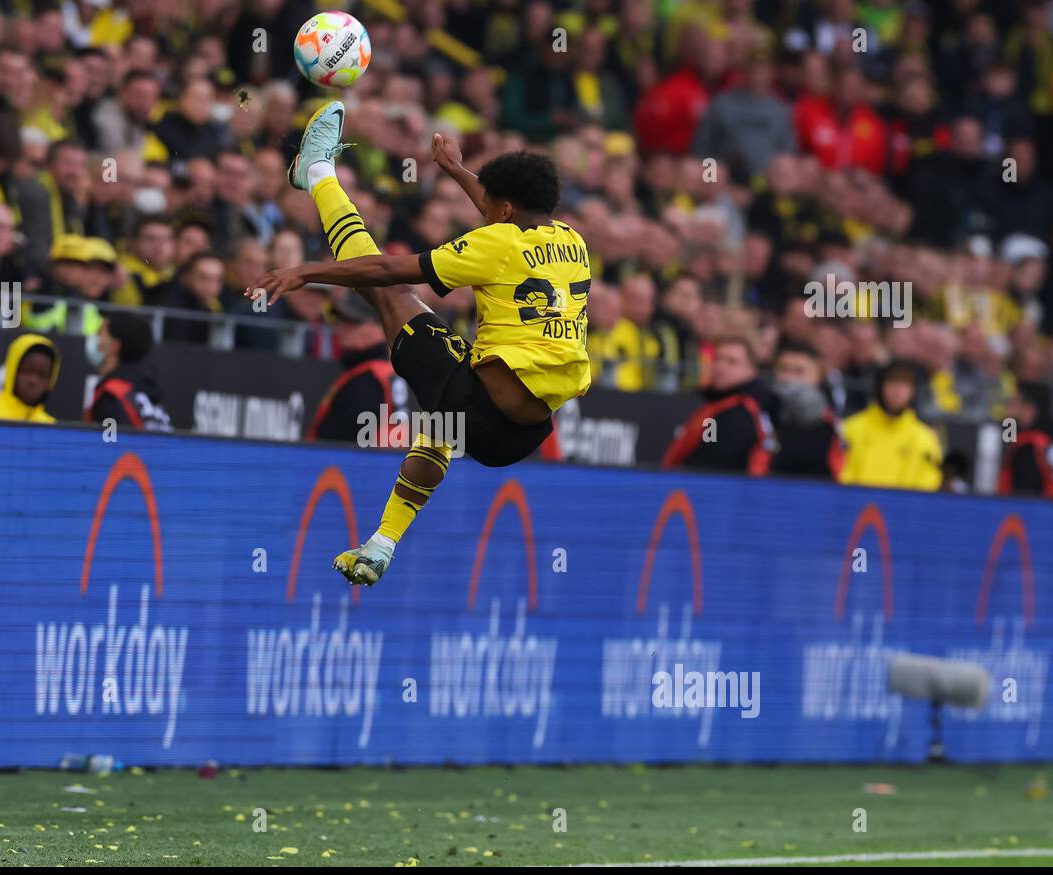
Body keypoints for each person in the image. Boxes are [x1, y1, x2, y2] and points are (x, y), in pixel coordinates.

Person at [257, 103, 590, 587]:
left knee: (389, 293)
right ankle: (380, 545)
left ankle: (317, 173)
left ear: (503, 211)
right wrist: (457, 170)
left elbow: (387, 270)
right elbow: (505, 211)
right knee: (440, 420)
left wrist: (305, 272)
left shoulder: (496, 244)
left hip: (482, 407)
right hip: (526, 433)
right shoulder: (571, 241)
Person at [662, 336, 776, 475]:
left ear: (751, 370)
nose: (720, 367)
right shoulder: (723, 404)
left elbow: (710, 465)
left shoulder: (738, 413)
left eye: (732, 362)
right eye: (717, 359)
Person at [309, 292, 405, 445]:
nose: (341, 329)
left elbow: (337, 444)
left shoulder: (368, 381)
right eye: (340, 321)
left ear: (380, 326)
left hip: (353, 467)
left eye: (353, 323)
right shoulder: (384, 373)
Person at [840, 360, 943, 491]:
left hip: (905, 509)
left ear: (913, 391)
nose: (898, 390)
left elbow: (929, 483)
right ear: (880, 387)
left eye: (905, 384)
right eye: (892, 383)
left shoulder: (925, 438)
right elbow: (841, 473)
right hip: (857, 508)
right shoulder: (851, 429)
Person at [768, 338, 843, 479]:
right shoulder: (761, 412)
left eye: (799, 371)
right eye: (783, 369)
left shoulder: (831, 425)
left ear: (819, 375)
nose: (789, 378)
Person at [85, 312, 172, 432]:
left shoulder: (112, 398)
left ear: (114, 346)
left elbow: (109, 447)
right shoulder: (148, 395)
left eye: (101, 332)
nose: (95, 336)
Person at [998, 381, 1053, 497]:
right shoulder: (1051, 434)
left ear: (1030, 409)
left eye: (1014, 403)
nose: (1007, 408)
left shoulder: (1029, 447)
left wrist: (1009, 419)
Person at [0, 333, 59, 423]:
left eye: (41, 375)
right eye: (27, 371)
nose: (33, 381)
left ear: (50, 381)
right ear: (13, 371)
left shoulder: (50, 426)